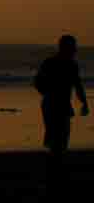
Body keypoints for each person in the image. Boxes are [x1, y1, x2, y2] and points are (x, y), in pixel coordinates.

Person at [34, 34, 89, 184]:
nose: (75, 50)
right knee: (57, 139)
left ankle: (55, 170)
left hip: (61, 105)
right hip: (52, 105)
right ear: (65, 47)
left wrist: (84, 102)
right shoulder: (52, 63)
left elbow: (77, 85)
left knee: (60, 139)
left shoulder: (70, 64)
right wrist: (50, 93)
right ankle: (55, 171)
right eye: (73, 47)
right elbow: (38, 82)